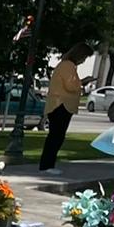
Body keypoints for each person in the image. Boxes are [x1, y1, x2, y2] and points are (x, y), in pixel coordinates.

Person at [40, 43, 90, 173]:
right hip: (61, 105)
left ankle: (48, 164)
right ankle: (47, 165)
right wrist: (83, 82)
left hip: (61, 105)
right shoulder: (67, 65)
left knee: (57, 136)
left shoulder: (67, 65)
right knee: (56, 136)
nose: (84, 61)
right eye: (84, 57)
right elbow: (71, 86)